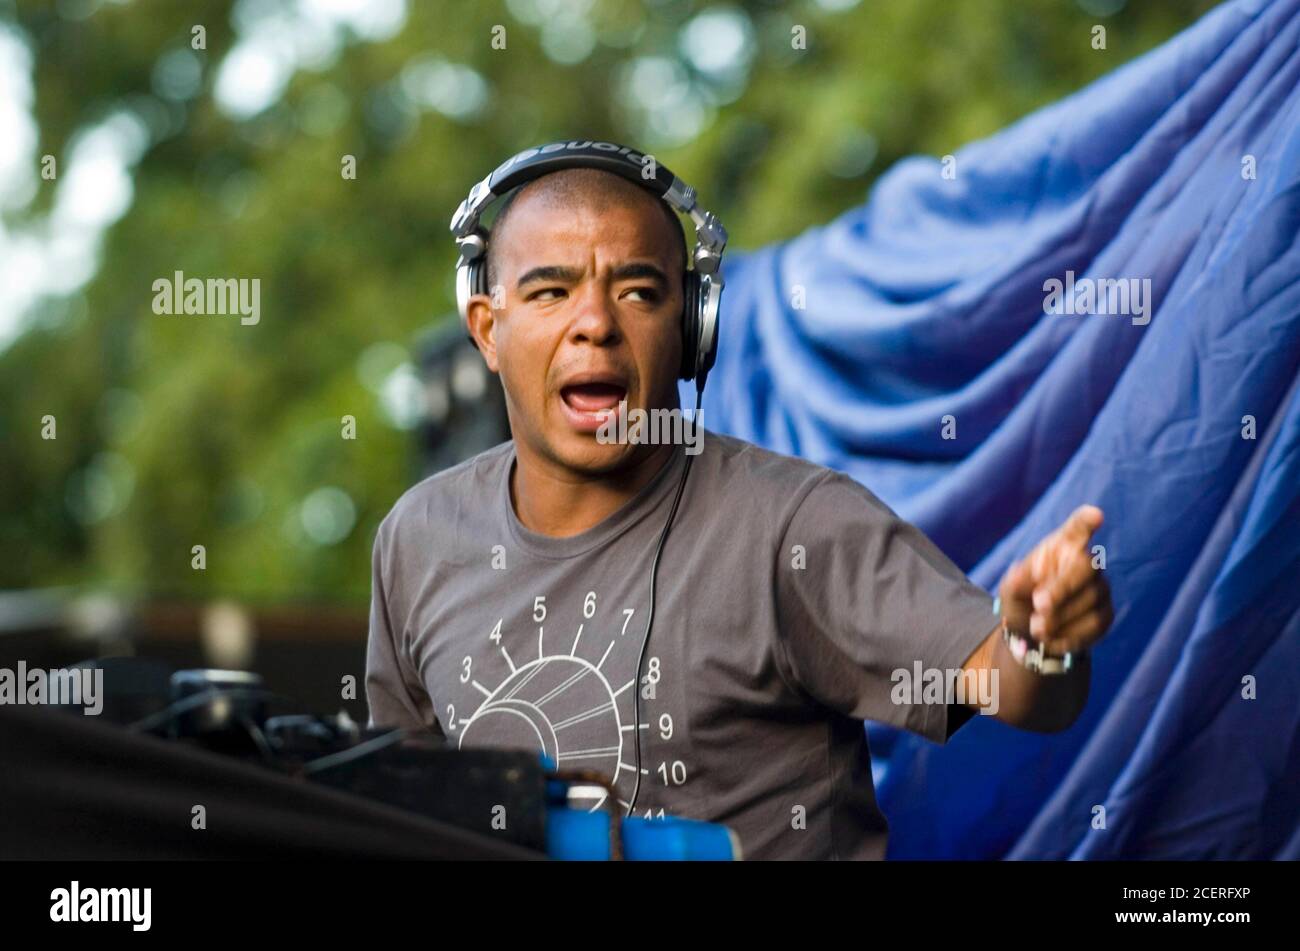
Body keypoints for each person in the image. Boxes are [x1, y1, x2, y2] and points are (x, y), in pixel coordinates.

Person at [365, 157, 1113, 860]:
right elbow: (393, 799)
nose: (594, 322)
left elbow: (1013, 688)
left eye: (637, 290)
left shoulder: (795, 524)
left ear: (693, 328)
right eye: (550, 291)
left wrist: (1040, 638)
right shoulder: (418, 538)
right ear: (489, 332)